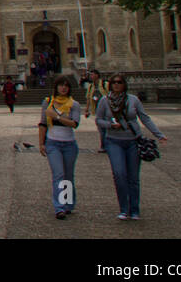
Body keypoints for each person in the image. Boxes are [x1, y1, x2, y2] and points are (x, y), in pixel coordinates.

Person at [95, 74, 168, 220]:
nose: (116, 85)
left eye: (119, 82)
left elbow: (144, 118)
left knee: (133, 178)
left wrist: (159, 134)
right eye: (113, 82)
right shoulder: (105, 101)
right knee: (119, 174)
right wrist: (110, 125)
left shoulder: (133, 100)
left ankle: (134, 210)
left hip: (133, 141)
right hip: (114, 141)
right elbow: (98, 119)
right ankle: (124, 209)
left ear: (124, 84)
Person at [39, 75, 81, 220]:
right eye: (61, 85)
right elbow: (43, 123)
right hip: (53, 143)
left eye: (66, 86)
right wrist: (41, 143)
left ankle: (68, 204)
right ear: (56, 87)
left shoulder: (74, 105)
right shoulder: (48, 102)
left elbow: (75, 124)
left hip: (69, 144)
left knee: (68, 176)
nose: (63, 88)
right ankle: (59, 207)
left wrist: (56, 117)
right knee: (59, 175)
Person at [83, 69, 107, 152]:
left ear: (97, 75)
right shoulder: (90, 86)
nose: (91, 76)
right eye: (90, 75)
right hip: (97, 110)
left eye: (92, 75)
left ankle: (107, 145)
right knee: (101, 129)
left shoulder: (105, 84)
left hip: (107, 110)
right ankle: (104, 145)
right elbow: (88, 99)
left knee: (106, 129)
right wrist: (86, 110)